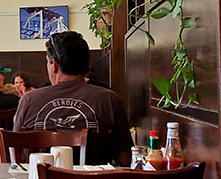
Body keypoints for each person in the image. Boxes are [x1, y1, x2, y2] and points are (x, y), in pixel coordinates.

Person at [13, 31, 132, 166]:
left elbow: (18, 155)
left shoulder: (28, 100)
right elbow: (125, 158)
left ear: (55, 65)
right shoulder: (110, 100)